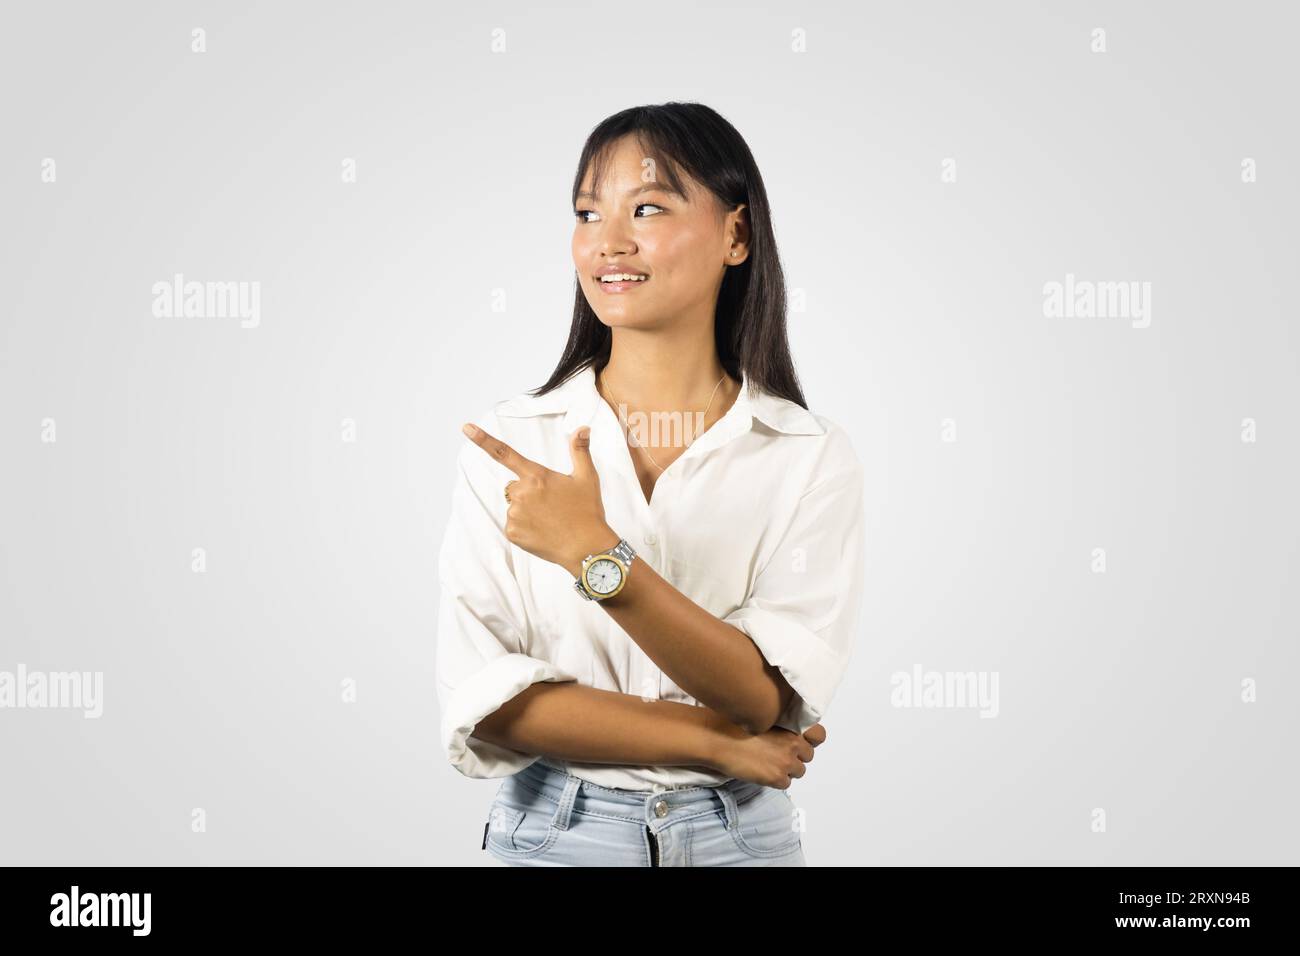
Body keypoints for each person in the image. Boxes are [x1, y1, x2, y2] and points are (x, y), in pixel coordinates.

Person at [436, 102, 866, 866]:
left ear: (736, 235)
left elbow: (761, 697)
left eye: (647, 208)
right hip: (554, 834)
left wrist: (594, 553)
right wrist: (719, 744)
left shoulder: (806, 454)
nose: (608, 242)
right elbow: (490, 703)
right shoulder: (512, 446)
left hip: (741, 840)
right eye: (586, 212)